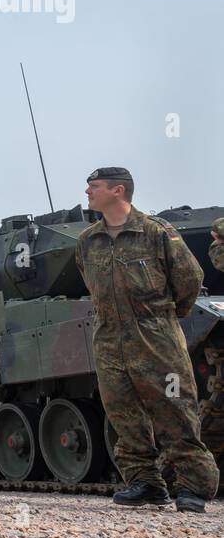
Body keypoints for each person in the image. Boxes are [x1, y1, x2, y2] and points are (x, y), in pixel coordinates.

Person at [75, 167, 218, 512]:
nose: (87, 192)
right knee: (122, 411)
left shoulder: (155, 233)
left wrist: (162, 318)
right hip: (110, 338)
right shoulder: (88, 240)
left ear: (118, 191)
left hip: (156, 337)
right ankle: (145, 482)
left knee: (175, 408)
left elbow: (189, 278)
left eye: (93, 186)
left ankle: (193, 486)